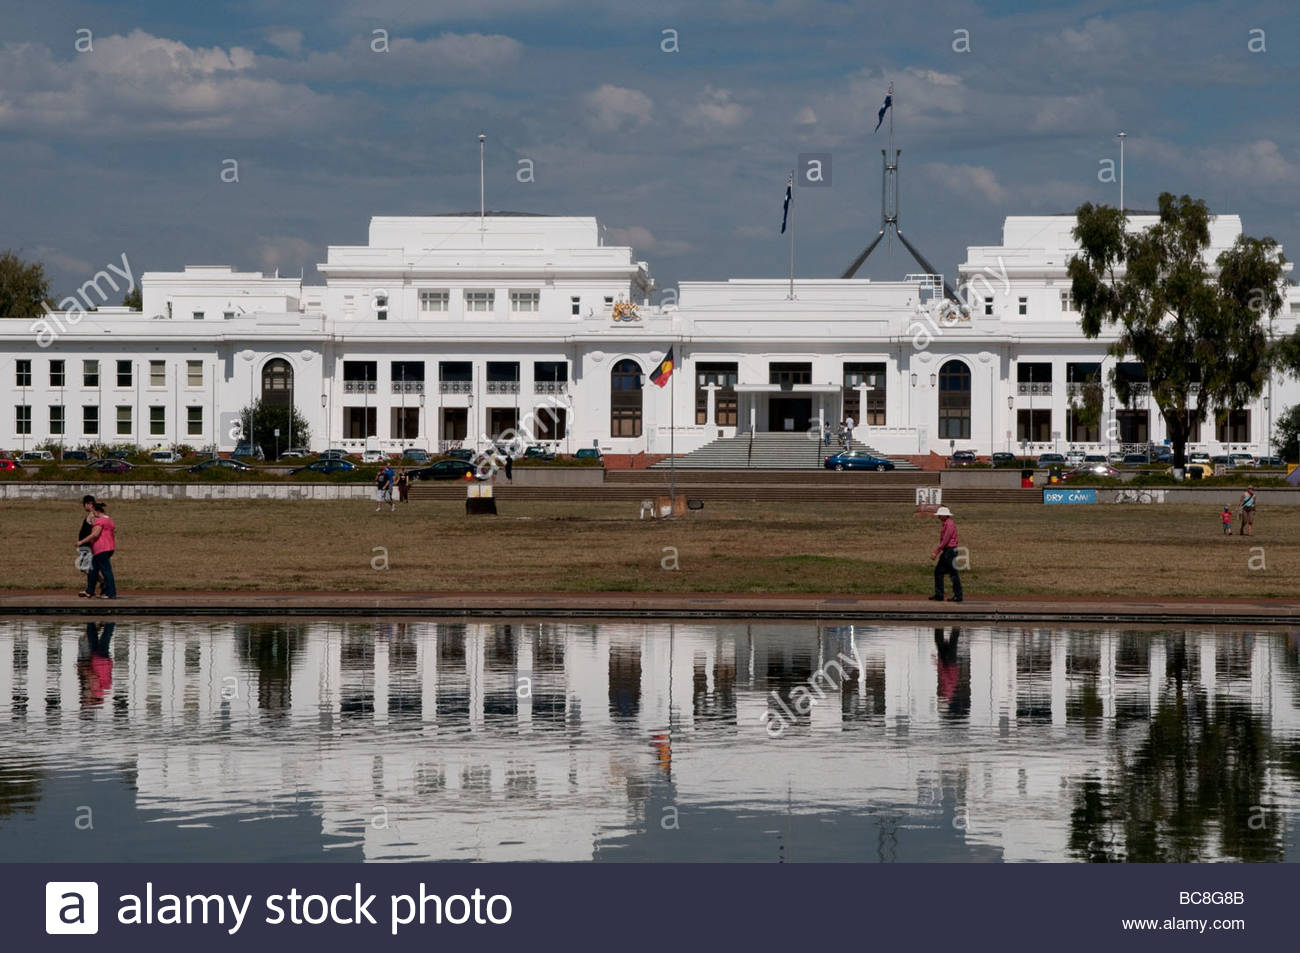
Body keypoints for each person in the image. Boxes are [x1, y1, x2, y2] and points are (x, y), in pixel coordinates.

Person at [77, 501, 117, 599]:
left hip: (101, 549)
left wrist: (81, 542)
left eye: (93, 511)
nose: (93, 514)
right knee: (93, 570)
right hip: (109, 547)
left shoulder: (100, 521)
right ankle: (90, 591)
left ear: (97, 511)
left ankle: (111, 593)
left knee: (106, 571)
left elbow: (95, 534)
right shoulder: (109, 520)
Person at [928, 505, 962, 602]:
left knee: (953, 574)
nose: (938, 517)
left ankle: (958, 595)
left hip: (950, 551)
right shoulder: (947, 523)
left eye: (940, 515)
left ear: (944, 515)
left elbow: (945, 540)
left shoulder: (949, 524)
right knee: (939, 571)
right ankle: (939, 594)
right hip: (948, 551)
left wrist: (936, 552)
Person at [76, 495, 96, 581]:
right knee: (86, 567)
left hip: (87, 545)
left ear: (88, 504)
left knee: (86, 567)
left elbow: (94, 530)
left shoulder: (93, 515)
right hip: (85, 544)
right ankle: (98, 584)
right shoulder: (93, 514)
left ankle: (102, 583)